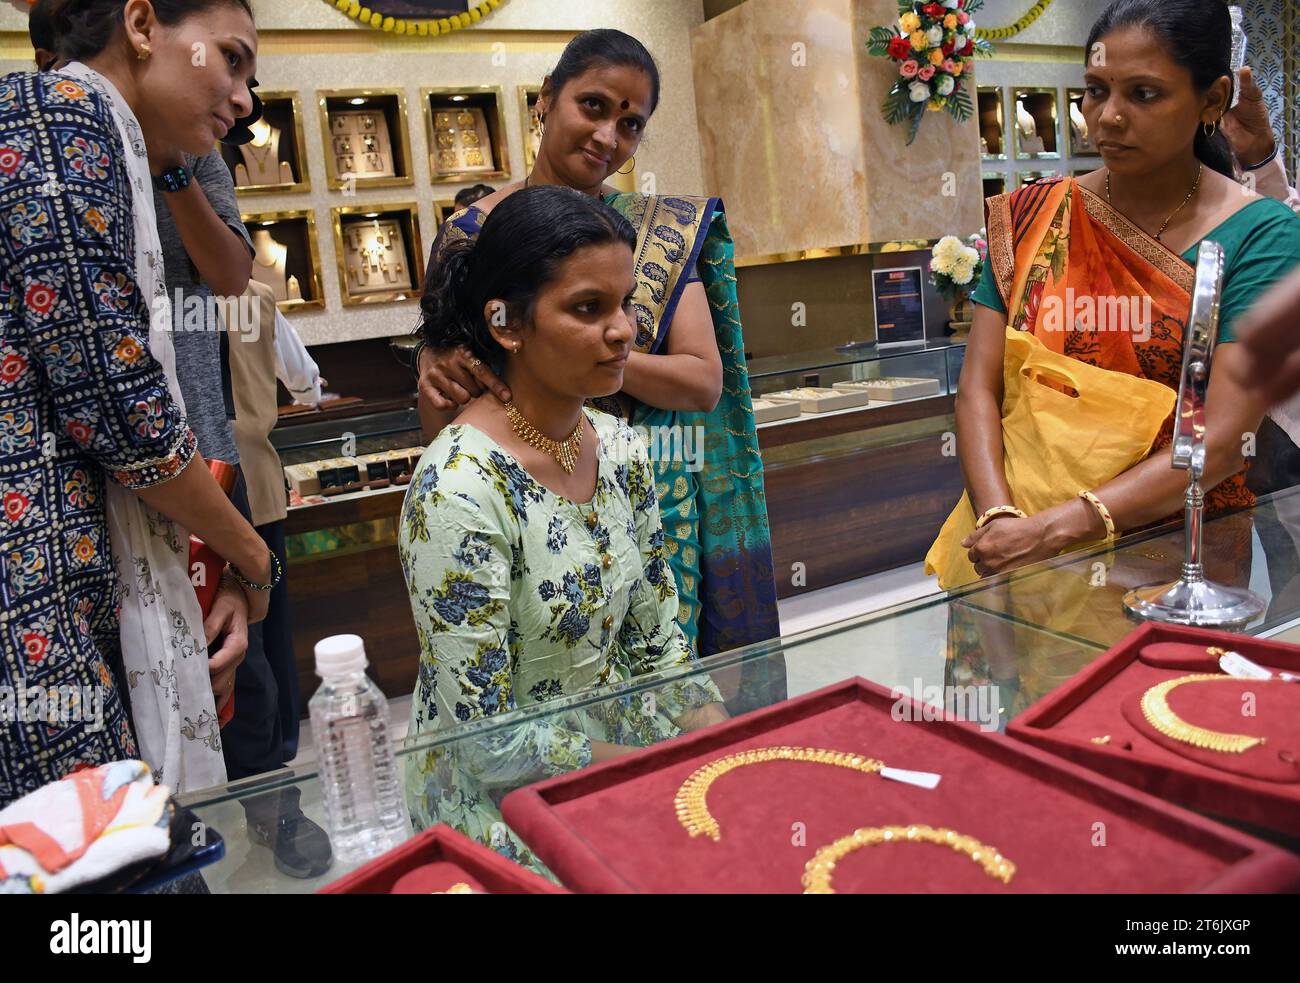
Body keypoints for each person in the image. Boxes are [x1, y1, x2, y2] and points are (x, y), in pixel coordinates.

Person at [411, 29, 781, 709]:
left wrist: (590, 356)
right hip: (514, 486)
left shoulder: (655, 232)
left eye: (631, 122)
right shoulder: (472, 234)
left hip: (643, 482)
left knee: (654, 664)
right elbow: (442, 403)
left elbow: (703, 380)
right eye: (593, 106)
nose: (609, 135)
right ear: (546, 98)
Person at [0, 0, 279, 806]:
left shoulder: (116, 135)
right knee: (99, 867)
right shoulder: (65, 115)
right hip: (38, 590)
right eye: (230, 59)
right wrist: (255, 557)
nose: (243, 96)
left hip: (79, 565)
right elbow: (122, 413)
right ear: (144, 23)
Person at [400, 185, 727, 869]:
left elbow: (657, 637)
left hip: (620, 762)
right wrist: (649, 770)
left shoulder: (620, 445)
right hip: (505, 808)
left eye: (626, 303)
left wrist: (710, 743)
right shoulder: (459, 487)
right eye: (588, 308)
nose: (624, 330)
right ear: (506, 323)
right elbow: (488, 742)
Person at [955, 0, 1300, 580]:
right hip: (1007, 552)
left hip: (1177, 562)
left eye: (1144, 94)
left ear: (1212, 101)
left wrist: (1053, 529)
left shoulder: (1261, 236)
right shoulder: (1030, 218)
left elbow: (1223, 439)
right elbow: (977, 389)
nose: (1107, 117)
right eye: (1095, 90)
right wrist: (999, 516)